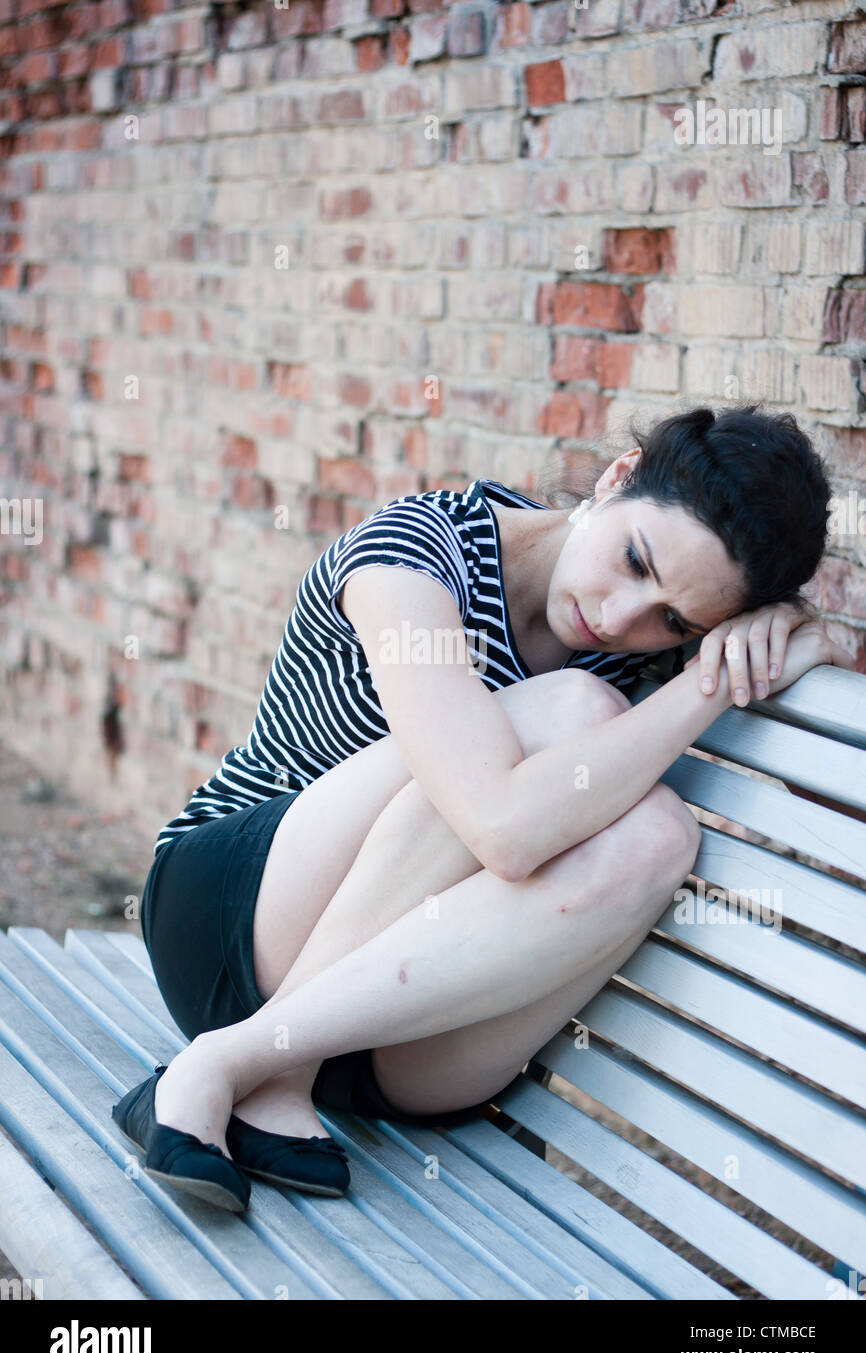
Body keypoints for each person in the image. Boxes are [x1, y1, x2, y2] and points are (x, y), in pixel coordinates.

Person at [113, 402, 856, 1211]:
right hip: (230, 928)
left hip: (396, 1026)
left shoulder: (642, 651)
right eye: (634, 561)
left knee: (658, 835)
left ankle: (243, 1068)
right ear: (614, 478)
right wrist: (708, 686)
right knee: (570, 711)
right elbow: (500, 827)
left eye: (674, 620)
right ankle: (251, 1064)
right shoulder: (414, 557)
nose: (618, 619)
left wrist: (761, 639)